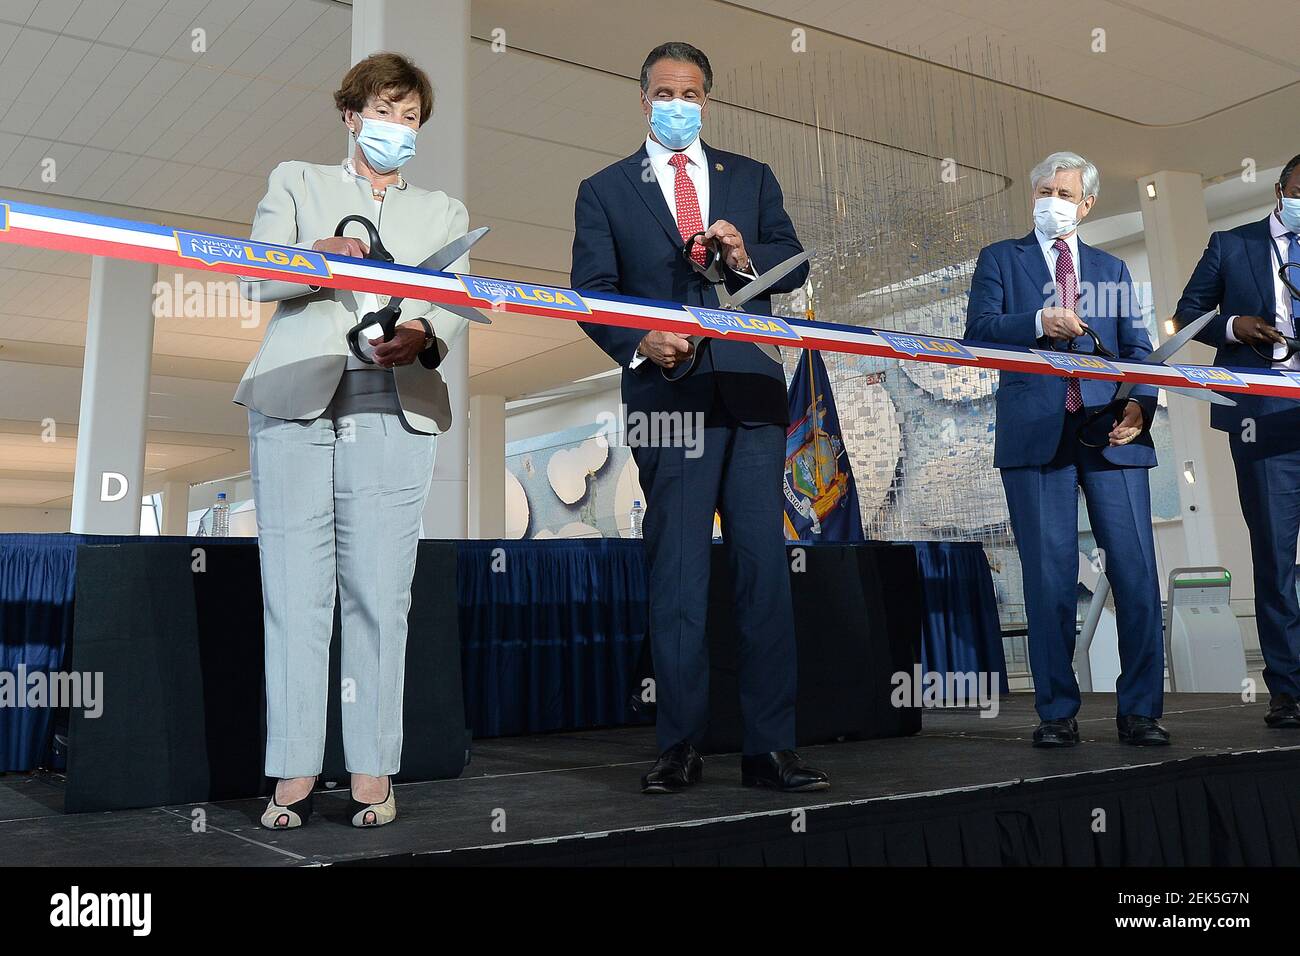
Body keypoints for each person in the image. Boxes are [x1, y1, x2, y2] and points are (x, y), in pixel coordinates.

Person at [571, 41, 828, 793]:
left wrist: (745, 257)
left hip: (749, 394)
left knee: (763, 575)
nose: (677, 103)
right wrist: (637, 339)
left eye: (690, 92)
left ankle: (769, 748)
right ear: (642, 98)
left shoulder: (749, 178)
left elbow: (795, 264)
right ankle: (679, 746)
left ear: (706, 100)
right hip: (667, 396)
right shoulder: (605, 189)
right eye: (663, 92)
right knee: (678, 576)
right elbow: (592, 288)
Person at [234, 52, 472, 828]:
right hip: (296, 396)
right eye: (384, 111)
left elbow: (455, 305)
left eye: (410, 118)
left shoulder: (443, 210)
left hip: (391, 403)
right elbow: (254, 275)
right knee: (295, 593)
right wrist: (316, 261)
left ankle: (372, 768)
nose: (396, 129)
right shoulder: (296, 182)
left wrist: (421, 332)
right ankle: (294, 769)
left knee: (378, 592)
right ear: (350, 113)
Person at [966, 151, 1169, 748]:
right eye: (1044, 190)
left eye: (1064, 193)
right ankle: (1056, 712)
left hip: (1113, 435)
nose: (1052, 201)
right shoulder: (1001, 259)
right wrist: (1036, 323)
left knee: (1135, 574)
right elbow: (978, 331)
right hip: (1037, 437)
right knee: (1049, 580)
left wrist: (1141, 403)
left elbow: (1137, 348)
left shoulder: (1111, 269)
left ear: (1086, 205)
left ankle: (1140, 711)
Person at [1175, 153, 1300, 729]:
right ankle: (1289, 690)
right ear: (1281, 189)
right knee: (1275, 559)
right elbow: (1187, 315)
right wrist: (1234, 325)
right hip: (1265, 418)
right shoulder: (1232, 243)